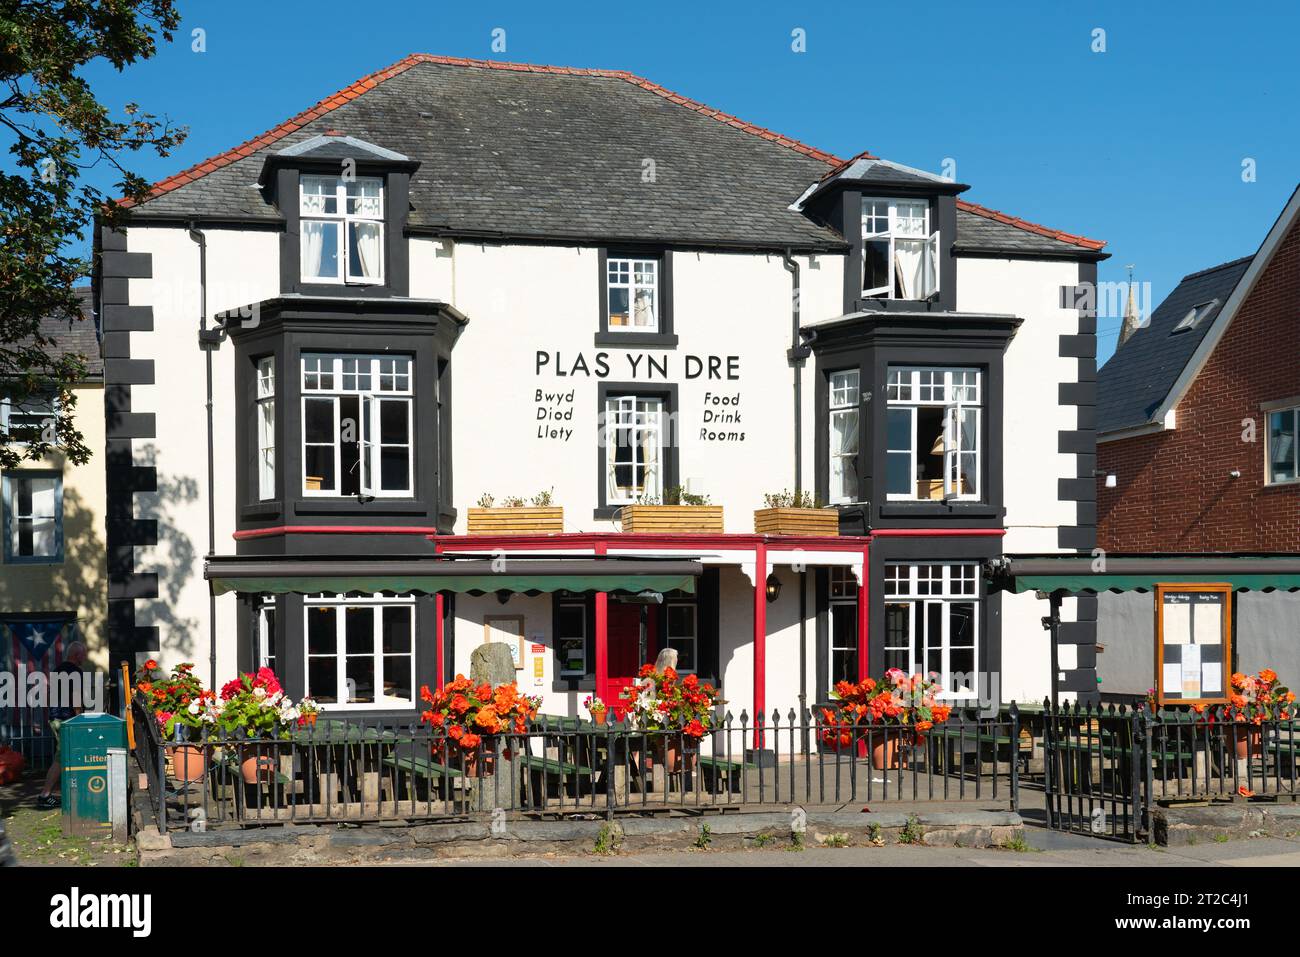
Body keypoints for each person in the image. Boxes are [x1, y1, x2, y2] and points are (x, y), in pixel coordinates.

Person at [38, 642, 88, 809]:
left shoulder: (57, 670)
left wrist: (52, 714)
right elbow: (75, 696)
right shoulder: (75, 672)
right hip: (67, 719)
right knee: (62, 756)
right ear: (77, 655)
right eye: (83, 654)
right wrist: (79, 718)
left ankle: (71, 791)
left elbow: (49, 694)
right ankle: (45, 795)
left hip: (56, 718)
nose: (85, 657)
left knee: (67, 755)